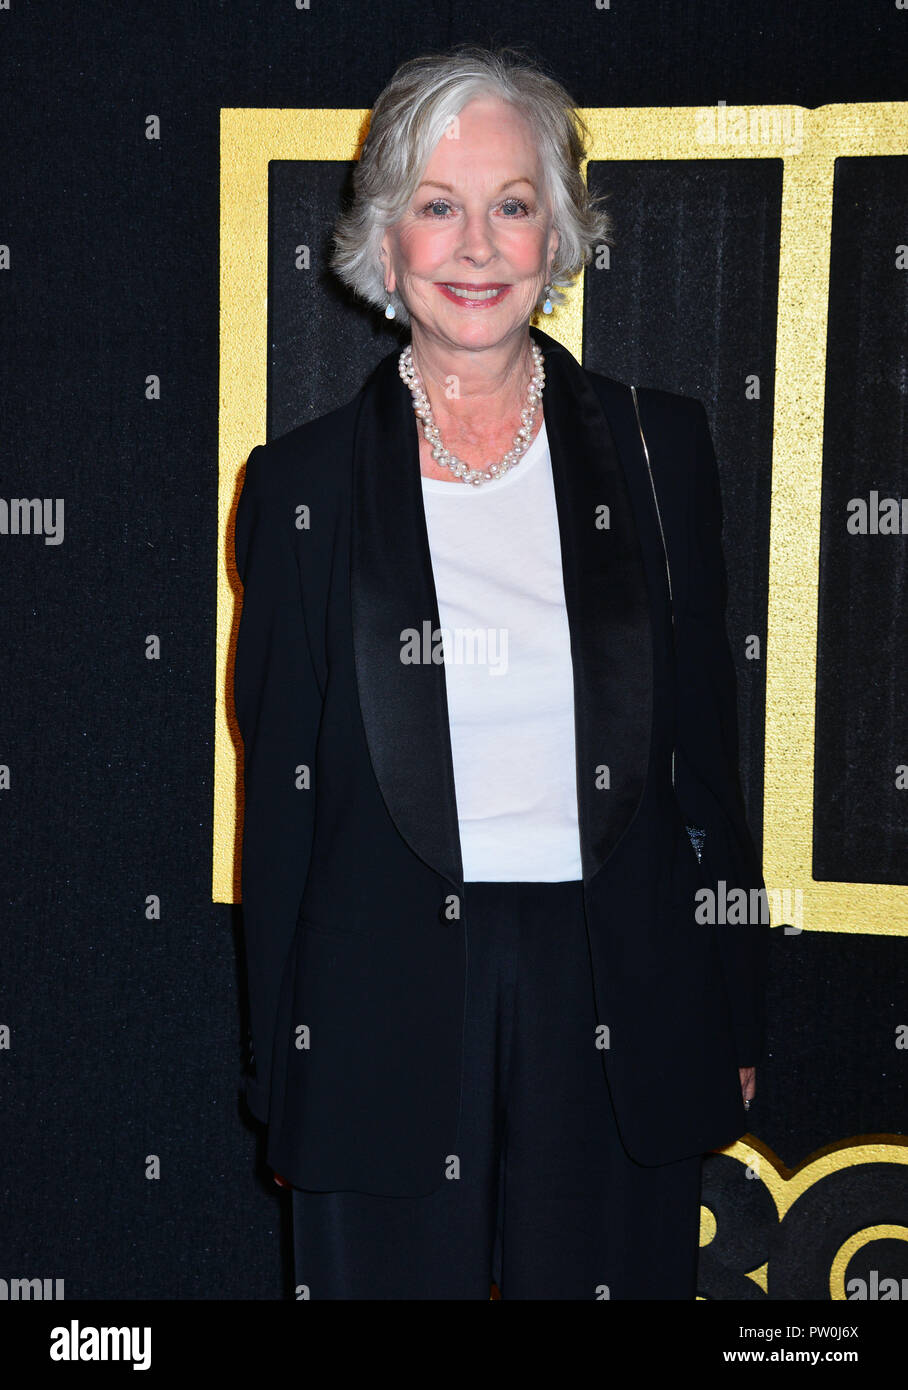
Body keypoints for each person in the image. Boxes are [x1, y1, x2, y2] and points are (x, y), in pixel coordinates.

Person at [233, 44, 769, 1300]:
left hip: (615, 988)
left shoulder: (658, 446)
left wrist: (735, 1014)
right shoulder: (301, 485)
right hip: (378, 999)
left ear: (556, 235)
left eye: (511, 205)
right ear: (385, 238)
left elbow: (706, 758)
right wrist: (281, 1062)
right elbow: (284, 806)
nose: (476, 246)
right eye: (438, 205)